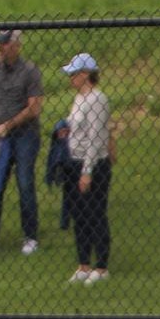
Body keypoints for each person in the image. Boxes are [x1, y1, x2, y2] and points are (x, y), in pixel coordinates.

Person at [0, 30, 45, 255]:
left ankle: (30, 235)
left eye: (4, 44)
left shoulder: (30, 71)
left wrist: (8, 125)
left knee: (25, 182)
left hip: (25, 135)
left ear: (16, 46)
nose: (0, 48)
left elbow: (34, 108)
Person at [59, 53, 114, 285]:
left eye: (74, 74)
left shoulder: (97, 100)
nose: (70, 78)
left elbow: (96, 137)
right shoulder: (79, 99)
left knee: (95, 213)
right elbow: (78, 128)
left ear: (85, 75)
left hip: (93, 165)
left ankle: (101, 267)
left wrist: (87, 171)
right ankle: (83, 264)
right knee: (79, 215)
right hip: (74, 161)